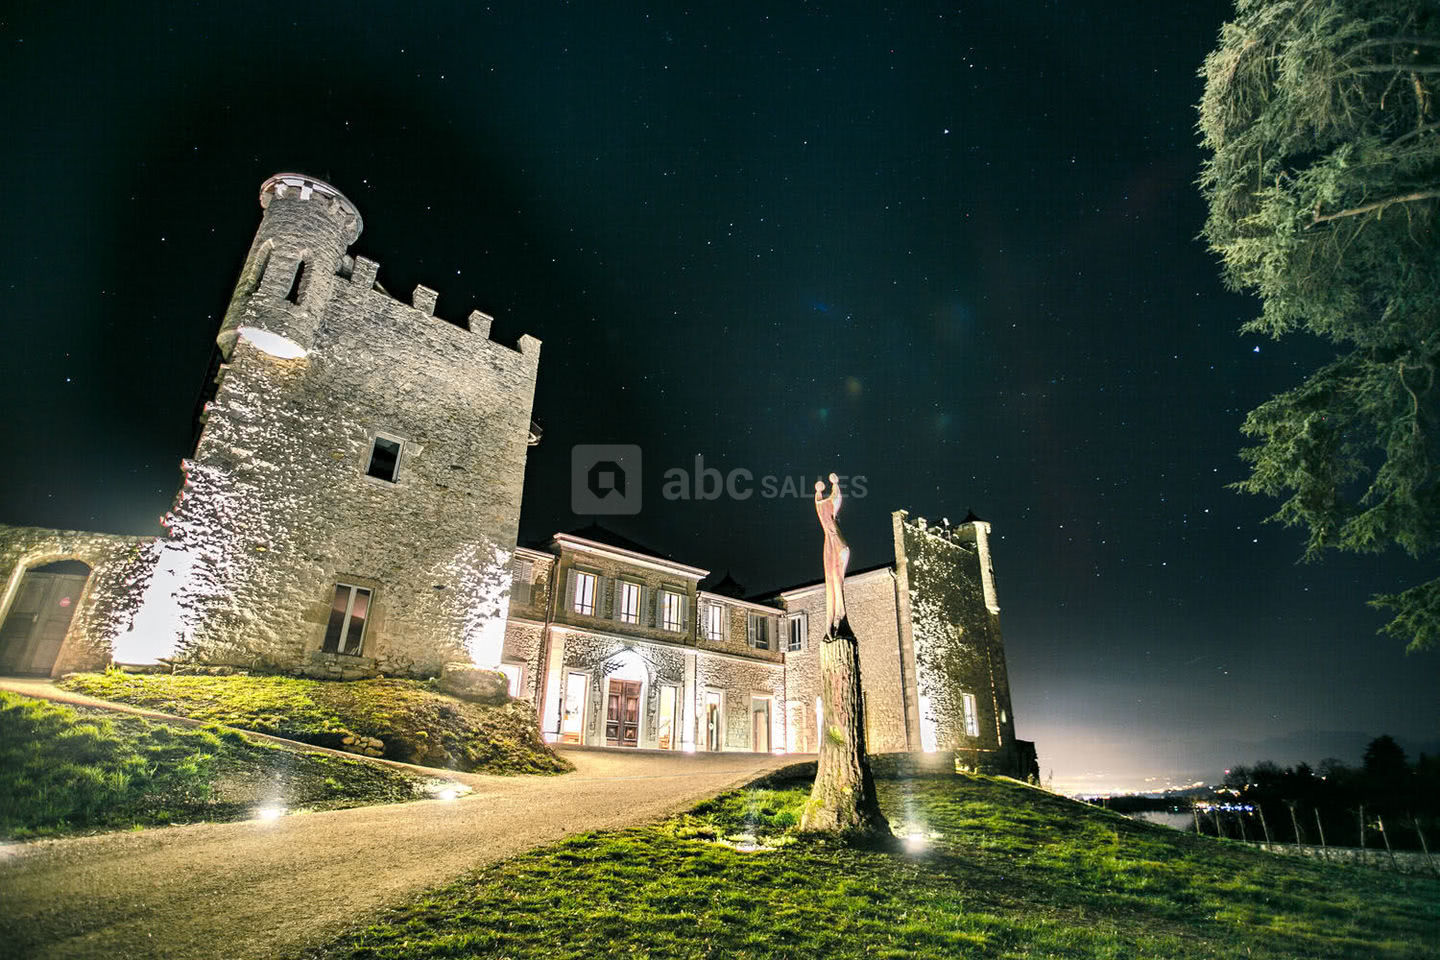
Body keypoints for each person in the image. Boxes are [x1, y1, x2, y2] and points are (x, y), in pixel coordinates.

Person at [814, 472, 850, 632]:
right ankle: (837, 617)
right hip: (834, 546)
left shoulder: (823, 513)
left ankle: (836, 617)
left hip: (833, 546)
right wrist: (834, 485)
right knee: (835, 578)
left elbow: (829, 500)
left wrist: (821, 491)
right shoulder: (829, 519)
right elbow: (835, 499)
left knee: (835, 578)